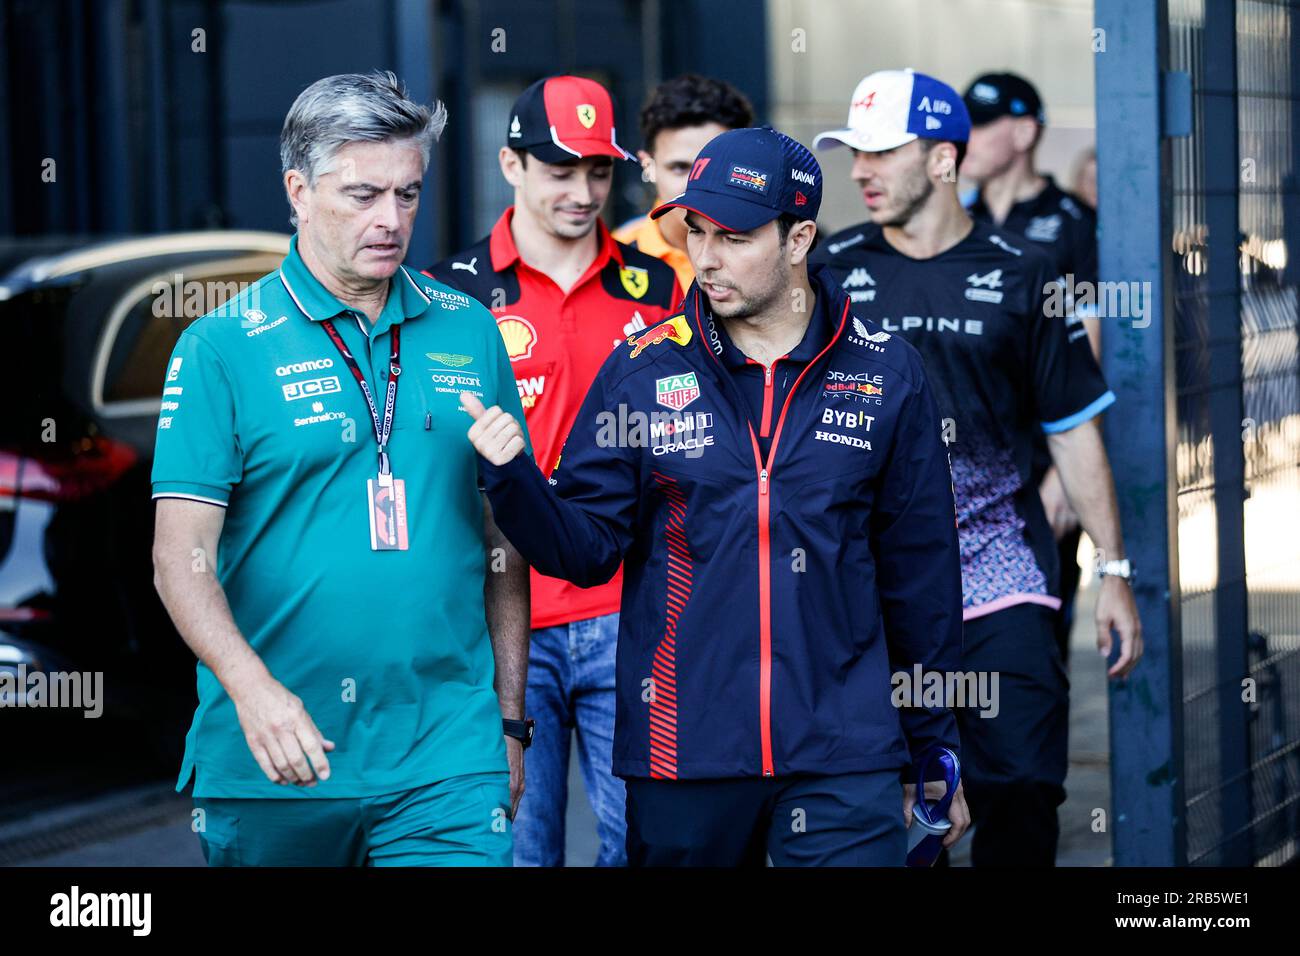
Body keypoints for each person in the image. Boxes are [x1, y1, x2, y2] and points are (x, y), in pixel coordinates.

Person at [461, 126, 970, 867]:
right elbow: (585, 551)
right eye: (695, 232)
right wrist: (512, 480)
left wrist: (932, 749)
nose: (705, 258)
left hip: (844, 755)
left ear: (799, 239)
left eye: (732, 236)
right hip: (682, 756)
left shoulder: (888, 371)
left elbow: (921, 577)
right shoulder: (640, 369)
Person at [151, 71, 533, 866]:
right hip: (279, 759)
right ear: (297, 189)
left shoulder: (469, 330)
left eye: (408, 194)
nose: (391, 221)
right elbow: (178, 561)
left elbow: (506, 539)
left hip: (446, 761)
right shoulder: (223, 346)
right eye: (362, 195)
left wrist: (508, 718)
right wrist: (253, 693)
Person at [812, 69, 1142, 866]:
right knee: (889, 805)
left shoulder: (1026, 273)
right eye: (854, 153)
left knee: (1023, 786)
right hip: (870, 587)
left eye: (883, 152)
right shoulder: (824, 271)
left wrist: (1114, 570)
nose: (860, 171)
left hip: (1002, 574)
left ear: (942, 160)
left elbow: (1071, 428)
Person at [426, 75, 681, 867]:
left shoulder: (661, 288)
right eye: (559, 169)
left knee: (638, 847)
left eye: (598, 171)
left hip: (629, 613)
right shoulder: (448, 297)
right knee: (517, 854)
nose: (582, 191)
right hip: (505, 622)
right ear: (510, 164)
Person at [960, 72, 1101, 664]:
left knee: (1036, 651)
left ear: (1023, 131)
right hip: (959, 474)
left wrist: (1058, 479)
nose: (965, 139)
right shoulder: (955, 217)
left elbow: (1086, 349)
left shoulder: (1069, 220)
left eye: (981, 125)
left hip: (1038, 467)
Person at [613, 73, 755, 289]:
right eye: (679, 168)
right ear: (648, 166)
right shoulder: (612, 258)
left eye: (713, 167)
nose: (696, 185)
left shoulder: (779, 249)